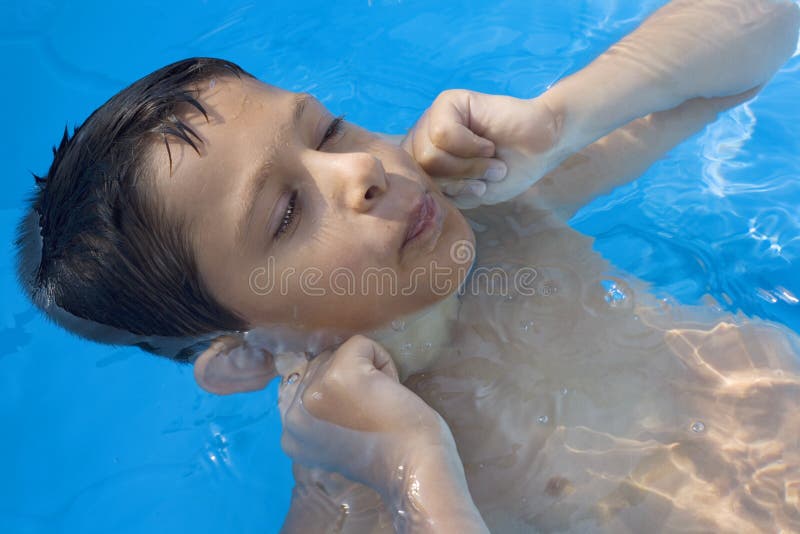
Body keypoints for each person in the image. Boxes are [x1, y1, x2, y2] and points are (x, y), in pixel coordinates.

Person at [13, 0, 800, 532]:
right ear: (243, 354)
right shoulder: (350, 487)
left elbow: (764, 28)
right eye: (285, 214)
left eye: (326, 132)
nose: (358, 169)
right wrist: (416, 470)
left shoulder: (503, 213)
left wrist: (560, 119)